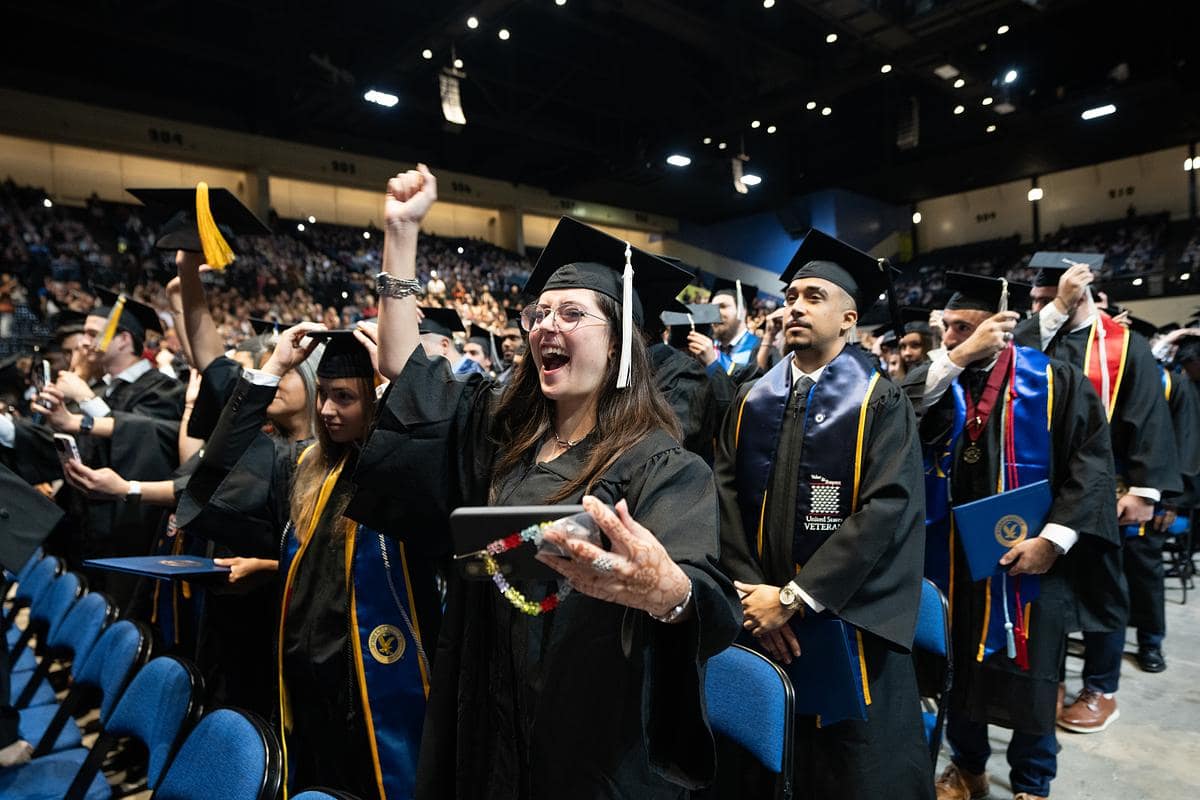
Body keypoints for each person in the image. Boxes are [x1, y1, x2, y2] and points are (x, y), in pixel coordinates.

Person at [359, 167, 741, 799]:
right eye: (538, 314)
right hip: (486, 701)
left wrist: (663, 589)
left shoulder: (663, 467)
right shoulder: (502, 436)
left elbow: (696, 588)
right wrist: (401, 233)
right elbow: (403, 368)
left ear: (620, 345)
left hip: (590, 731)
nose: (545, 326)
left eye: (571, 312)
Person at [714, 228, 930, 800]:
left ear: (849, 319)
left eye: (814, 297)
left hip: (846, 623)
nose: (796, 308)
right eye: (792, 297)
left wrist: (795, 599)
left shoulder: (879, 400)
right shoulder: (752, 398)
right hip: (761, 618)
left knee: (854, 771)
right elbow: (724, 496)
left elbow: (888, 510)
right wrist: (756, 597)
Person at [182, 320, 433, 800]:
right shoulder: (304, 466)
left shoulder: (402, 476)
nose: (327, 410)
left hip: (369, 690)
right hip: (303, 684)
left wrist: (405, 380)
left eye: (346, 397)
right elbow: (209, 481)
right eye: (324, 395)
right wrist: (273, 368)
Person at [904, 273, 1119, 800]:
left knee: (1035, 671)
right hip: (950, 558)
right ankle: (969, 768)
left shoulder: (1055, 380)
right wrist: (953, 359)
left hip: (1030, 559)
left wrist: (1054, 540)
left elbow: (1091, 466)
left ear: (1001, 328)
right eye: (947, 328)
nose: (951, 337)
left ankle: (1031, 784)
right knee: (958, 671)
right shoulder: (938, 378)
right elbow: (895, 415)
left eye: (964, 327)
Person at [1015, 254, 1180, 733]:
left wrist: (1145, 491)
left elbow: (1148, 416)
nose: (1043, 309)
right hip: (1039, 495)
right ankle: (1052, 682)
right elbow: (1013, 362)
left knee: (1101, 594)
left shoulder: (1124, 345)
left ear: (1080, 294)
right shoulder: (1039, 340)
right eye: (1039, 302)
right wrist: (1051, 312)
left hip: (1105, 493)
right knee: (1046, 596)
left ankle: (1101, 687)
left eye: (1051, 300)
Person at [31, 289, 184, 609]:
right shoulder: (102, 389)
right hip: (89, 530)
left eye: (91, 333)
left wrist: (86, 398)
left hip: (132, 534)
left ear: (123, 340)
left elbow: (149, 444)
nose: (84, 342)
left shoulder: (164, 389)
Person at [687, 277, 761, 376]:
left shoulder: (759, 348)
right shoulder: (706, 344)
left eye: (723, 306)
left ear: (742, 312)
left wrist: (712, 363)